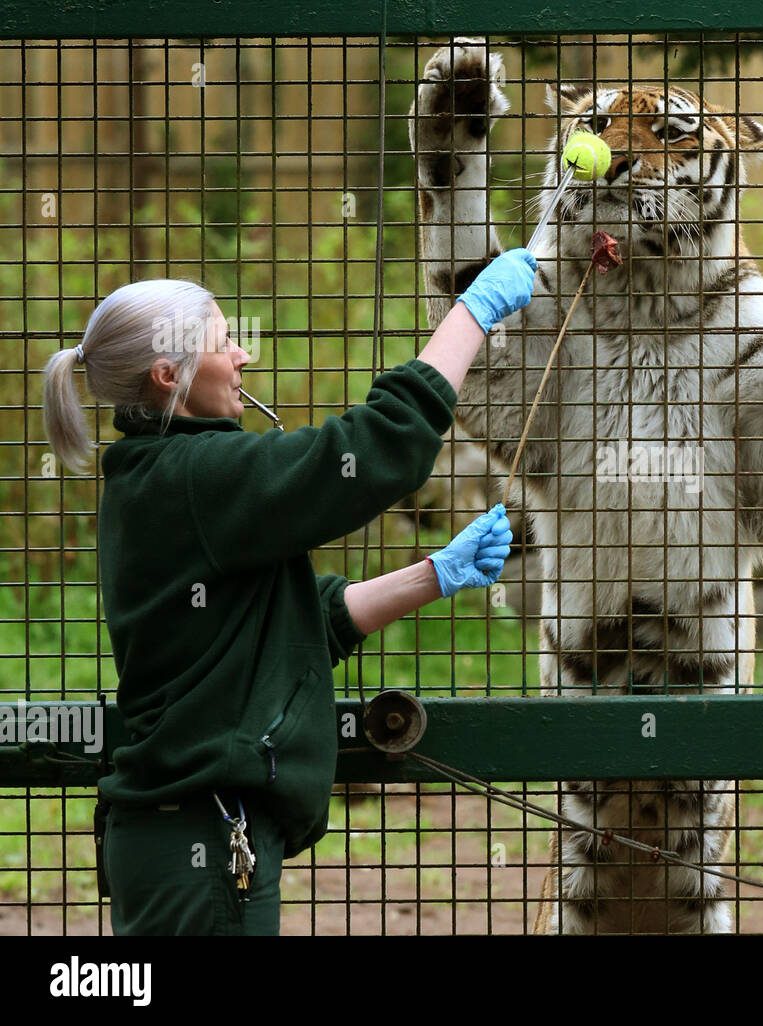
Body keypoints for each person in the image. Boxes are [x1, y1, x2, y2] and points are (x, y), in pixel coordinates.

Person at [40, 247, 539, 935]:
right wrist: (471, 314)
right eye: (223, 344)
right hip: (202, 847)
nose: (243, 355)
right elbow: (375, 448)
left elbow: (296, 625)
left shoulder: (163, 475)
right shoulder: (196, 475)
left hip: (192, 840)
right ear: (169, 375)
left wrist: (434, 574)